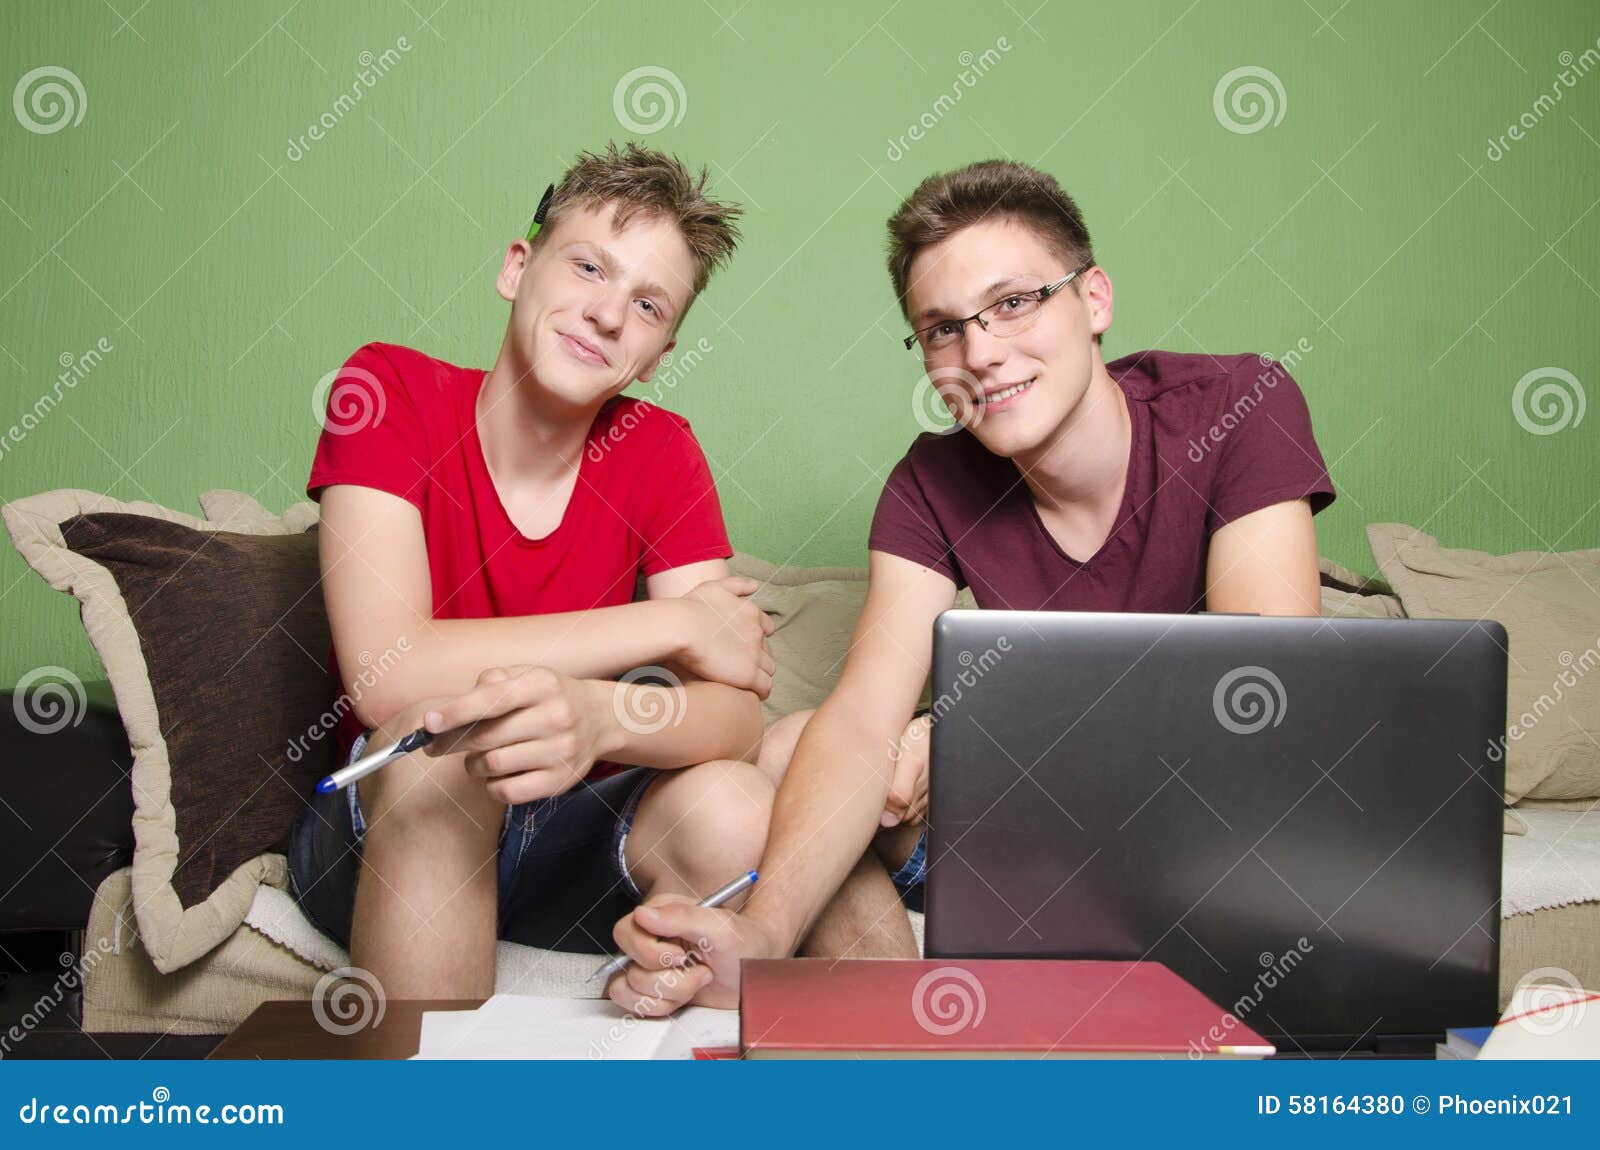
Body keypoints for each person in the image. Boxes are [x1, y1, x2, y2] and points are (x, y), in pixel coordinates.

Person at [601, 158, 1337, 1016]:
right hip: (1036, 845)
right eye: (944, 329)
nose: (981, 353)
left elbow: (1259, 695)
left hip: (1204, 845)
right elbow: (863, 720)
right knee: (799, 745)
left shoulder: (1237, 405)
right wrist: (762, 936)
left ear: (1093, 300)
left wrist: (964, 733)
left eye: (1014, 303)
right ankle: (907, 1036)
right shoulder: (929, 483)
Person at [286, 142, 781, 1001]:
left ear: (659, 353)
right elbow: (386, 675)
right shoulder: (389, 390)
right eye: (587, 266)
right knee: (446, 753)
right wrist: (672, 624)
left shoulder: (659, 452)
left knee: (734, 801)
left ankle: (677, 1021)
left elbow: (736, 719)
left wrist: (602, 714)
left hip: (569, 834)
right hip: (398, 814)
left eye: (648, 305)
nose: (606, 314)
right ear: (519, 266)